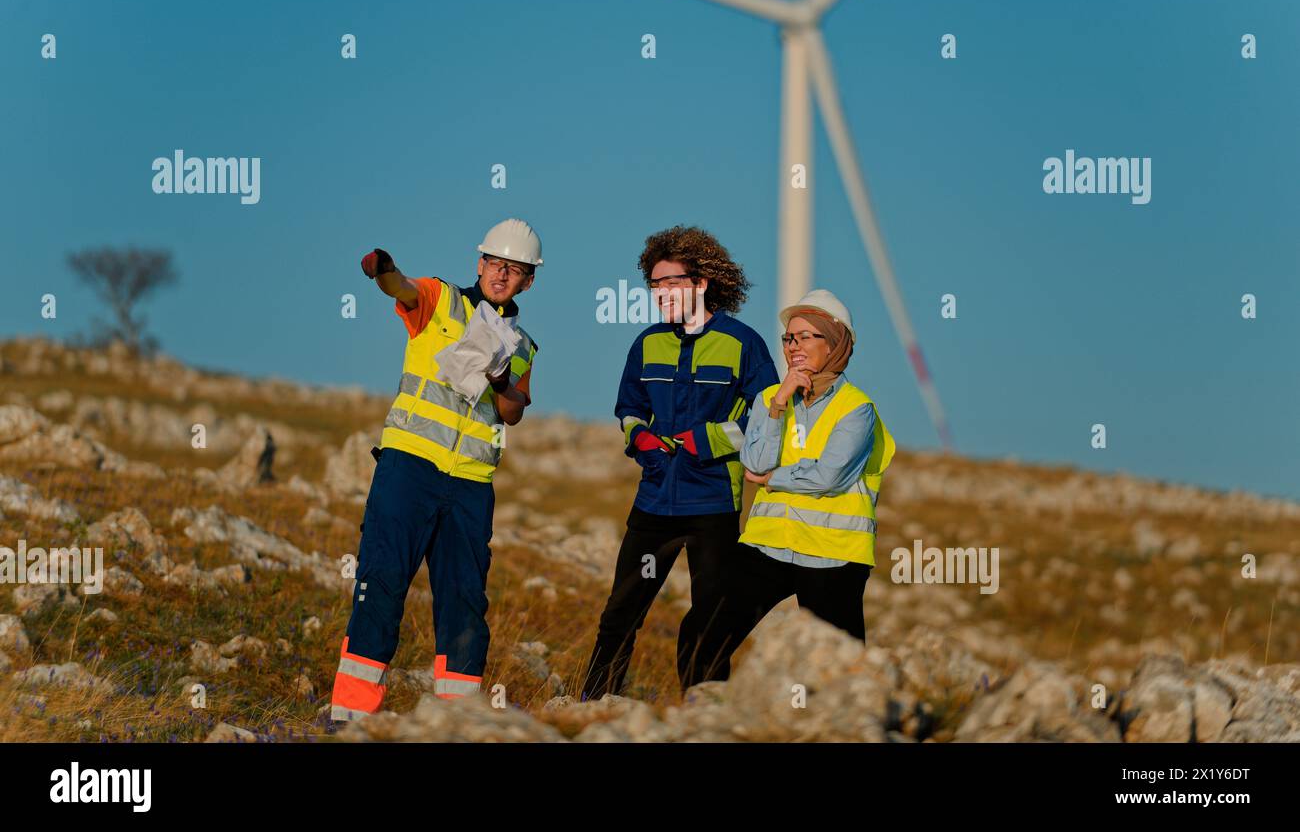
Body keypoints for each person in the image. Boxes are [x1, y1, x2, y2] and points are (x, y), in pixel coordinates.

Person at [329, 218, 542, 721]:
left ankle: (458, 721)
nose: (502, 275)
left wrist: (500, 377)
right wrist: (381, 267)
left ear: (528, 280)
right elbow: (398, 288)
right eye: (495, 264)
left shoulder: (524, 345)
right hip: (409, 470)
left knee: (465, 603)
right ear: (480, 263)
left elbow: (513, 409)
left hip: (470, 486)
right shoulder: (440, 299)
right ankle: (351, 720)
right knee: (381, 583)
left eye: (515, 269)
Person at [580, 226, 778, 699]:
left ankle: (703, 712)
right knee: (621, 611)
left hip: (712, 502)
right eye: (655, 284)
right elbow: (627, 406)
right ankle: (594, 704)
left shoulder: (743, 344)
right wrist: (640, 438)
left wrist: (709, 439)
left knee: (709, 615)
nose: (661, 293)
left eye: (671, 283)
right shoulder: (647, 344)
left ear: (702, 283)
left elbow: (768, 415)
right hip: (654, 504)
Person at [685, 288, 895, 686]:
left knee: (837, 672)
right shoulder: (769, 399)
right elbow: (754, 461)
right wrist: (778, 404)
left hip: (832, 557)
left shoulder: (857, 409)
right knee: (702, 632)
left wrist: (774, 480)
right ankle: (704, 719)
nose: (792, 346)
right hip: (768, 548)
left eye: (804, 337)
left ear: (834, 343)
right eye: (788, 338)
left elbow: (829, 477)